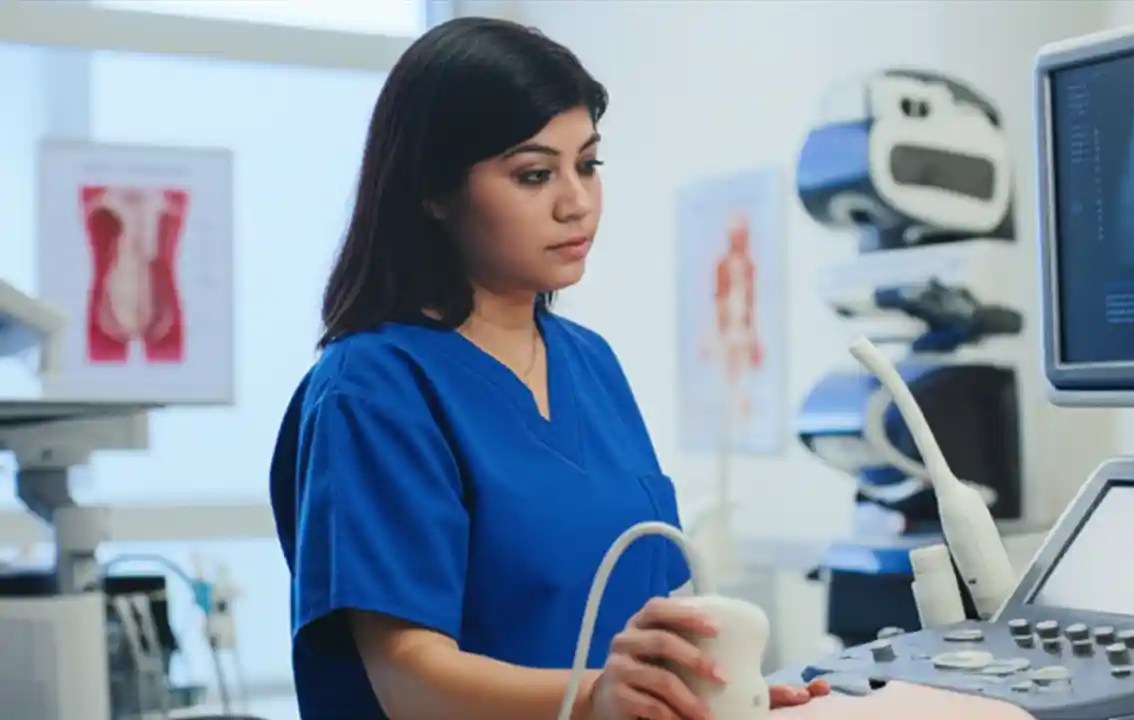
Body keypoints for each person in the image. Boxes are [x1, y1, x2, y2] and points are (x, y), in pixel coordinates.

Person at [267, 16, 830, 720]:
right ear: (434, 192)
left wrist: (716, 694)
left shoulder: (589, 364)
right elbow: (409, 680)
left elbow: (659, 620)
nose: (577, 202)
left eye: (588, 164)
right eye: (535, 174)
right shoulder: (372, 390)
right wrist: (598, 696)